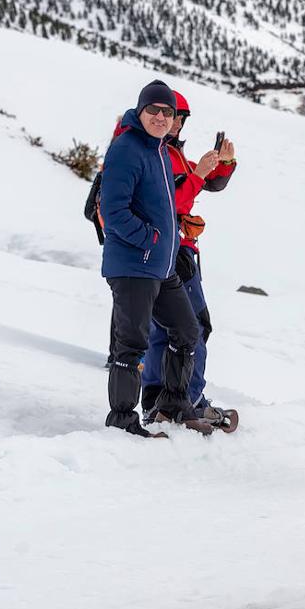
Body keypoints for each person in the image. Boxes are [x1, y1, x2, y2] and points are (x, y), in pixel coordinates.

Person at [100, 80, 206, 438]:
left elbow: (166, 207)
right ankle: (123, 420)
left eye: (167, 112)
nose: (161, 117)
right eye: (154, 110)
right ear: (140, 110)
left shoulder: (158, 149)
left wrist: (169, 247)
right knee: (131, 344)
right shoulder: (126, 149)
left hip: (160, 266)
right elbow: (112, 211)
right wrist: (149, 239)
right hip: (133, 266)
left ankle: (173, 405)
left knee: (187, 331)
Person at [140, 90, 239, 428]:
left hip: (167, 249)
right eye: (172, 114)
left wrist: (221, 166)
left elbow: (202, 185)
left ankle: (157, 398)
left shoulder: (168, 152)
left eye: (180, 117)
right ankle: (188, 397)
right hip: (174, 249)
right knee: (193, 326)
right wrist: (200, 174)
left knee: (164, 328)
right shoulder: (159, 154)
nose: (176, 122)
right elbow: (172, 202)